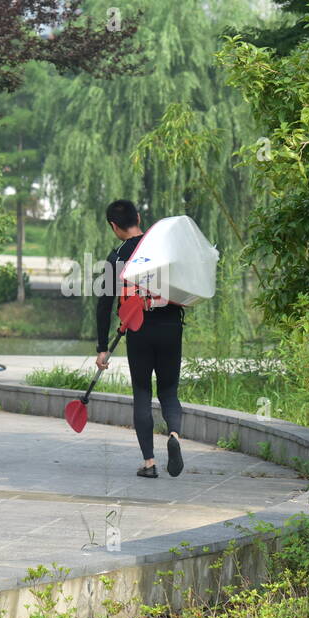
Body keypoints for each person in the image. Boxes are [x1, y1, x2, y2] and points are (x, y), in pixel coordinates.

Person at [94, 199, 185, 478]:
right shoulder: (162, 247)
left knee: (142, 394)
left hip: (138, 329)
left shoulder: (117, 256)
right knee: (169, 391)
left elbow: (104, 304)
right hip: (170, 325)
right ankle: (174, 435)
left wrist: (101, 348)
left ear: (114, 226)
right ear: (138, 216)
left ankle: (149, 463)